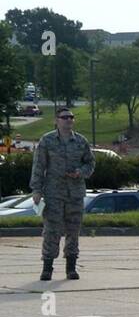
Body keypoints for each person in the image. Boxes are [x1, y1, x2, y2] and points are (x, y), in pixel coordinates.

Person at [30, 107, 94, 281]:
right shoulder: (47, 140)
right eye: (64, 117)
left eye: (71, 117)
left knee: (73, 231)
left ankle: (71, 268)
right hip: (53, 194)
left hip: (75, 194)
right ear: (57, 120)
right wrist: (36, 190)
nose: (68, 120)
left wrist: (80, 172)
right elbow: (39, 166)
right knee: (52, 231)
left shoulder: (81, 141)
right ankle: (47, 268)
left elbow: (90, 164)